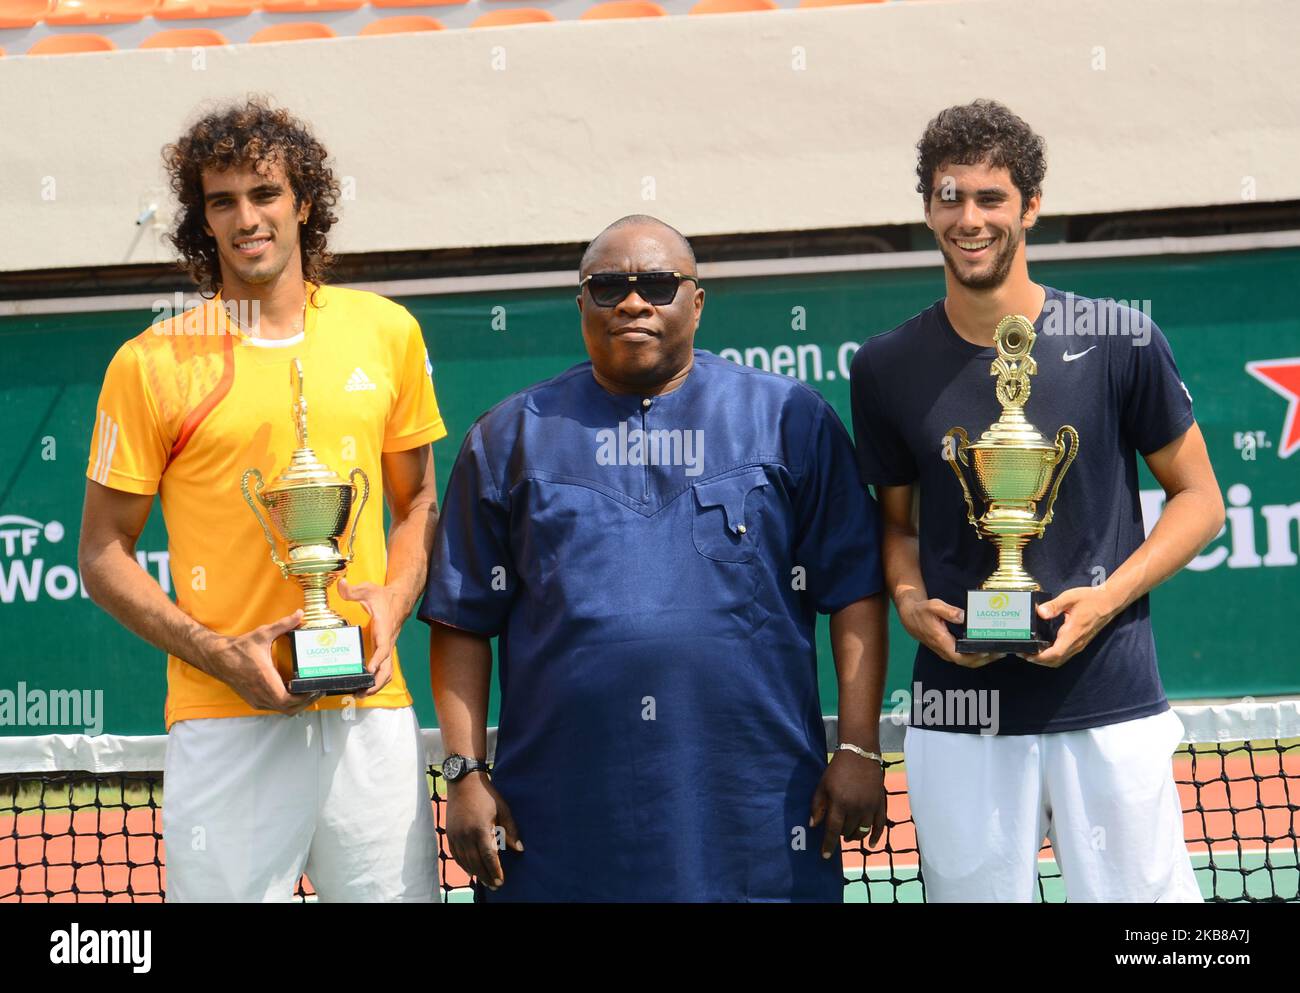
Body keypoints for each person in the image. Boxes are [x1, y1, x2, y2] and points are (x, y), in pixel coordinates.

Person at [420, 214, 888, 902]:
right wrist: (464, 772)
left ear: (697, 302)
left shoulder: (790, 418)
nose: (633, 302)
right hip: (559, 816)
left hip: (755, 810)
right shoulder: (508, 437)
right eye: (607, 286)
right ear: (581, 305)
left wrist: (857, 746)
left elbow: (855, 591)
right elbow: (462, 618)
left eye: (658, 285)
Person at [850, 100, 1226, 902]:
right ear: (927, 208)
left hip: (1110, 698)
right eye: (951, 197)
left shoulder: (1121, 337)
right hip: (960, 711)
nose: (970, 218)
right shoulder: (884, 366)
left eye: (992, 198)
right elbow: (894, 525)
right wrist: (912, 600)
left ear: (1031, 206)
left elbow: (1200, 500)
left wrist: (1104, 600)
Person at [78, 99, 446, 902]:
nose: (247, 217)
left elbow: (418, 503)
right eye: (222, 200)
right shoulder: (148, 363)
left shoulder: (388, 332)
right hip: (224, 718)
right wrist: (219, 653)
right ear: (201, 220)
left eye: (266, 193)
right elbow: (102, 553)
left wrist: (388, 604)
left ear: (304, 201)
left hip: (368, 711)